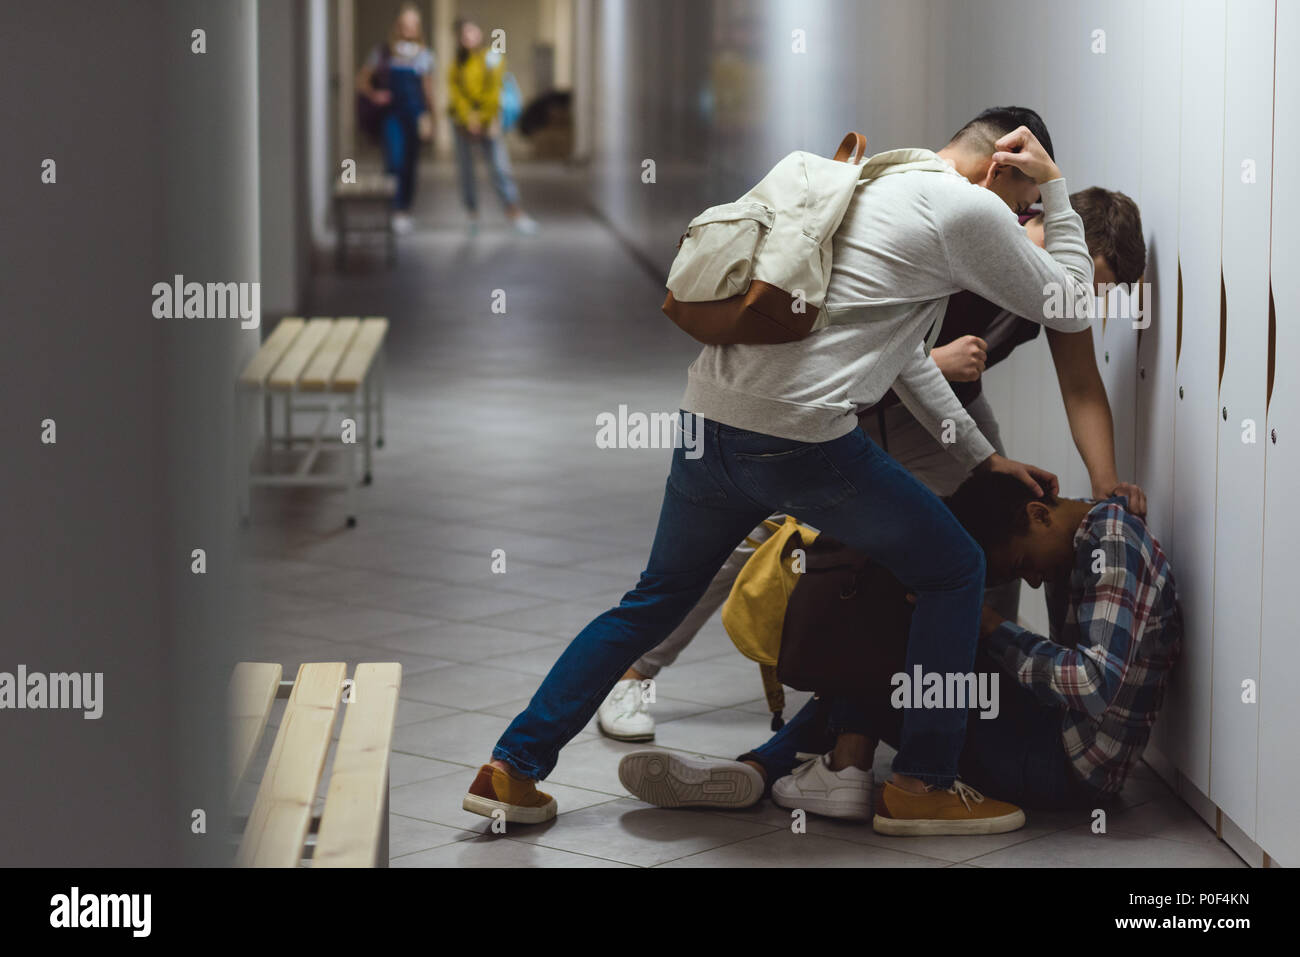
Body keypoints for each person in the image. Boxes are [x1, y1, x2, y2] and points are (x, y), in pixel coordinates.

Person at [462, 106, 1096, 835]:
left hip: (710, 419)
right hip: (799, 437)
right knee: (954, 567)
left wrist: (981, 460)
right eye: (1021, 206)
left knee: (654, 597)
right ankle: (924, 780)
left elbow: (907, 358)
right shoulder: (964, 207)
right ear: (1002, 168)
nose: (1018, 222)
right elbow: (1070, 304)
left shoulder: (875, 177)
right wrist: (1057, 189)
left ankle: (512, 766)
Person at [596, 186, 1150, 742]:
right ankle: (634, 673)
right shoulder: (973, 235)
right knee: (755, 532)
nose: (1076, 301)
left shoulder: (1057, 287)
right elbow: (848, 325)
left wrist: (1107, 490)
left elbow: (1081, 386)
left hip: (945, 410)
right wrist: (931, 361)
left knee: (996, 530)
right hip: (844, 395)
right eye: (1084, 282)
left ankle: (965, 709)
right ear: (1055, 237)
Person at [618, 471, 1182, 830]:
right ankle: (788, 769)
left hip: (1068, 770)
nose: (1032, 581)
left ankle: (795, 768)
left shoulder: (1109, 540)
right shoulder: (1085, 537)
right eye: (1022, 569)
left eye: (1020, 565)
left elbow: (1091, 682)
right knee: (906, 630)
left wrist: (989, 628)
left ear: (1039, 514)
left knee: (900, 633)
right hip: (1055, 738)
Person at [447, 19, 538, 236]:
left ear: (480, 34)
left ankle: (513, 211)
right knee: (466, 170)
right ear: (459, 39)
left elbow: (494, 90)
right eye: (464, 34)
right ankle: (472, 213)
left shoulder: (493, 58)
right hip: (462, 123)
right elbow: (456, 94)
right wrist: (468, 117)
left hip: (488, 121)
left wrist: (482, 118)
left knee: (500, 166)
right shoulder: (456, 65)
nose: (469, 37)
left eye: (473, 32)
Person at [356, 2, 435, 234]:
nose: (409, 29)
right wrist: (375, 94)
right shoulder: (383, 52)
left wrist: (432, 120)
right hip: (392, 115)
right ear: (398, 26)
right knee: (395, 160)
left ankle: (405, 210)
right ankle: (394, 209)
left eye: (414, 25)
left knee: (411, 164)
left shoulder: (424, 55)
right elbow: (362, 80)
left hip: (414, 114)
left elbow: (429, 91)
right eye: (405, 24)